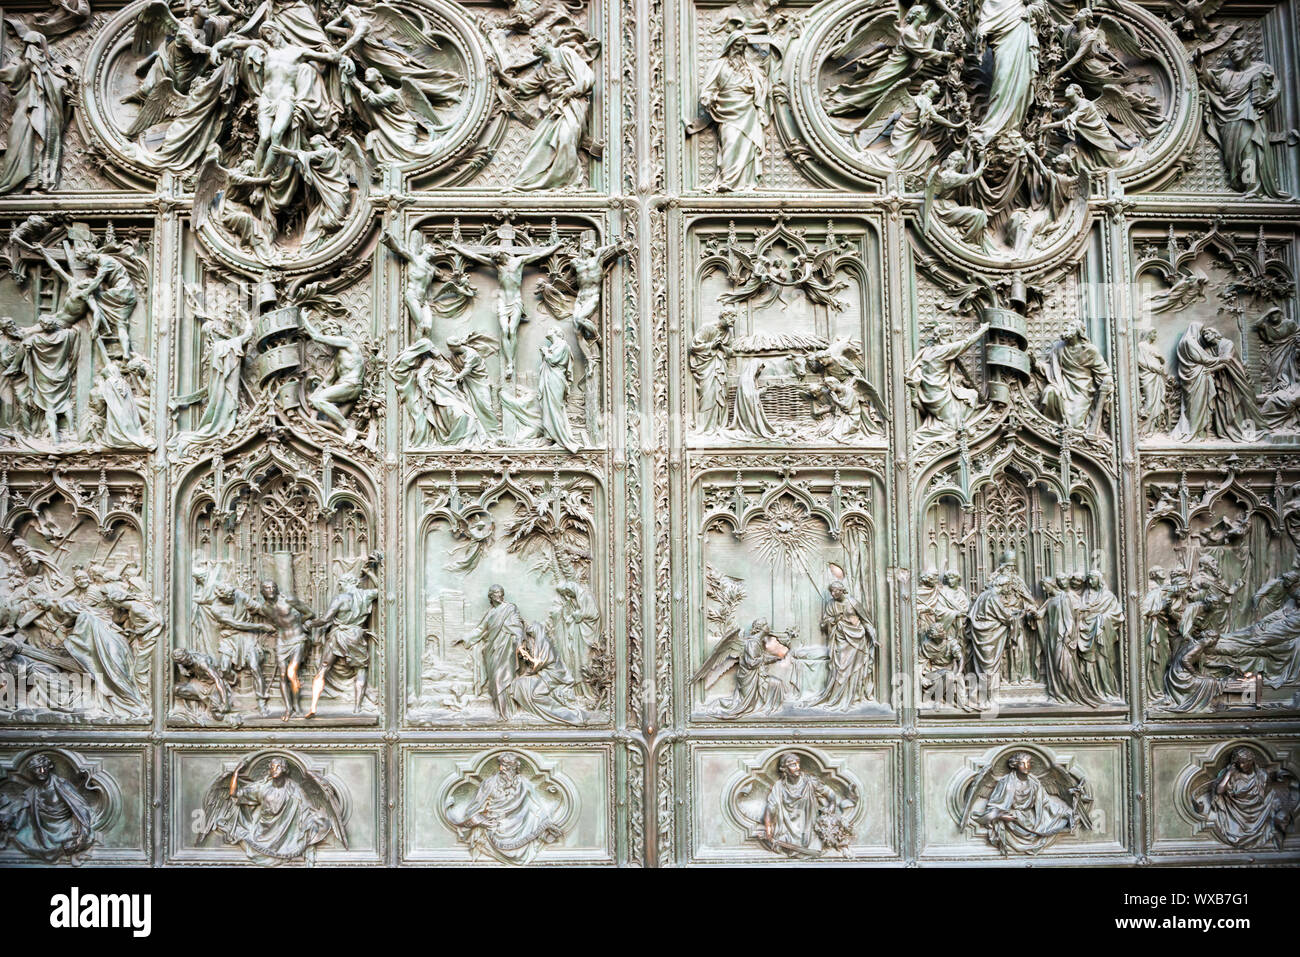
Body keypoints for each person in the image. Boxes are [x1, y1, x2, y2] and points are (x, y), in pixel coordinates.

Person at [1195, 38, 1288, 198]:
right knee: (1233, 158)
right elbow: (1206, 79)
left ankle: (1252, 187)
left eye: (1238, 49)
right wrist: (1198, 61)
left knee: (1248, 152)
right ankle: (1244, 183)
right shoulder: (1225, 74)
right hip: (1227, 119)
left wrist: (1269, 99)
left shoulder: (1261, 69)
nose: (1234, 53)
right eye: (1231, 51)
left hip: (1249, 117)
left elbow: (1275, 88)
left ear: (1248, 51)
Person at [447, 752, 564, 864]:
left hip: (521, 823)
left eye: (507, 767)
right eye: (502, 766)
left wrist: (547, 824)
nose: (502, 769)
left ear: (515, 768)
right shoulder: (490, 783)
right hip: (495, 824)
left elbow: (536, 807)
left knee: (534, 818)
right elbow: (475, 807)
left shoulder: (524, 784)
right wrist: (480, 820)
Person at [698, 33, 770, 190]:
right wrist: (708, 97)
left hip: (748, 111)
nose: (740, 49)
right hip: (727, 110)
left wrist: (754, 87)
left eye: (743, 46)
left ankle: (744, 182)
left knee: (746, 144)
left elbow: (761, 82)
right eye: (737, 45)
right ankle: (728, 180)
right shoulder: (718, 65)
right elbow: (709, 87)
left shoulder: (750, 68)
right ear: (730, 45)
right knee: (730, 141)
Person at [306, 569, 380, 716]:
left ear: (346, 583)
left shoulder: (340, 599)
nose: (339, 587)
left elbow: (325, 619)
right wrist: (371, 574)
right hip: (355, 635)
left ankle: (313, 706)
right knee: (361, 670)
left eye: (340, 584)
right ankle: (357, 708)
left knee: (323, 669)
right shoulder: (366, 595)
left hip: (338, 635)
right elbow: (381, 590)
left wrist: (309, 623)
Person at [1171, 323, 1263, 442]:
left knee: (1234, 405)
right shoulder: (1207, 348)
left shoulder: (1227, 344)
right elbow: (1209, 360)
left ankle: (1240, 429)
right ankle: (1222, 430)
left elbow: (1228, 360)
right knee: (1221, 407)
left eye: (1207, 333)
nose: (1205, 336)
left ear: (1215, 334)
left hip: (1231, 381)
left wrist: (1212, 368)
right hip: (1218, 382)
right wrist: (1214, 366)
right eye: (1203, 334)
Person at [242, 580, 317, 720]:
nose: (270, 590)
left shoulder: (289, 599)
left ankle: (297, 705)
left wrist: (299, 625)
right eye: (266, 588)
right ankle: (288, 708)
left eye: (273, 587)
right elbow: (274, 622)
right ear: (262, 592)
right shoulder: (265, 608)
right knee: (282, 675)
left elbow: (309, 613)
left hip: (297, 638)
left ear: (277, 589)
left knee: (291, 672)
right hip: (282, 641)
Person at [980, 751, 1083, 854]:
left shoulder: (1034, 783)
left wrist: (1066, 812)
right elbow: (993, 806)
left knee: (1056, 821)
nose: (1026, 766)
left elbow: (1045, 802)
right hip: (1013, 820)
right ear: (1015, 765)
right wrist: (1001, 816)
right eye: (1022, 763)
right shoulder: (1006, 783)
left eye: (1028, 763)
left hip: (1032, 818)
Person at [0, 753, 95, 862]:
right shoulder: (34, 790)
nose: (41, 771)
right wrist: (7, 816)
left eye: (44, 767)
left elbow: (80, 807)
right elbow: (20, 803)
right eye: (37, 768)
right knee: (18, 837)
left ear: (49, 768)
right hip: (43, 830)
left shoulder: (62, 785)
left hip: (66, 828)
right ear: (32, 771)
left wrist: (83, 828)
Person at [458, 585, 528, 720]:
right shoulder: (490, 613)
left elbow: (517, 626)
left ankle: (505, 713)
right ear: (491, 596)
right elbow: (480, 630)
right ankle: (504, 710)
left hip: (506, 647)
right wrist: (464, 638)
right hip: (492, 650)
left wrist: (519, 645)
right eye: (497, 593)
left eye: (502, 592)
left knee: (500, 679)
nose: (500, 595)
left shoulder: (510, 608)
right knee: (495, 682)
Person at [1203, 747, 1295, 849]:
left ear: (1251, 761)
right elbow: (1219, 791)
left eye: (1244, 762)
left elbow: (1268, 793)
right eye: (1239, 763)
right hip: (1234, 810)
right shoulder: (1232, 775)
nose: (1241, 766)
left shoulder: (1261, 776)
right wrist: (1229, 774)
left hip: (1259, 810)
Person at [906, 323, 989, 430]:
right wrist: (982, 330)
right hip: (939, 394)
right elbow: (966, 343)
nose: (949, 338)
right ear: (940, 337)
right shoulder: (943, 350)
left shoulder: (926, 351)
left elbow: (938, 371)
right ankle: (958, 427)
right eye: (947, 335)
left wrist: (962, 380)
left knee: (969, 395)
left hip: (928, 394)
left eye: (950, 335)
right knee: (971, 396)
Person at [759, 752, 840, 857]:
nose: (798, 767)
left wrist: (831, 807)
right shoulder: (778, 787)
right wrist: (769, 832)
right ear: (784, 769)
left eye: (798, 764)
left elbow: (830, 794)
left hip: (810, 830)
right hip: (787, 831)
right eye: (793, 764)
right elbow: (770, 808)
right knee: (784, 840)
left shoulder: (810, 781)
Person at [812, 580, 876, 709]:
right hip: (840, 639)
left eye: (836, 590)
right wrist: (832, 620)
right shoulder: (831, 604)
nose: (833, 593)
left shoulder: (853, 603)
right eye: (831, 591)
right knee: (841, 668)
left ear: (842, 590)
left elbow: (866, 621)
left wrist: (873, 638)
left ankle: (854, 696)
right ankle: (838, 696)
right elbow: (824, 623)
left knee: (855, 669)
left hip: (857, 640)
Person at [689, 310, 736, 431]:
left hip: (721, 368)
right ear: (723, 317)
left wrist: (722, 347)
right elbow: (694, 346)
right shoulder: (707, 328)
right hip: (708, 368)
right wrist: (711, 346)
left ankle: (719, 425)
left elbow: (730, 352)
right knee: (709, 394)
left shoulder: (727, 333)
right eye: (731, 317)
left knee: (721, 394)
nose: (734, 320)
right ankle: (706, 427)